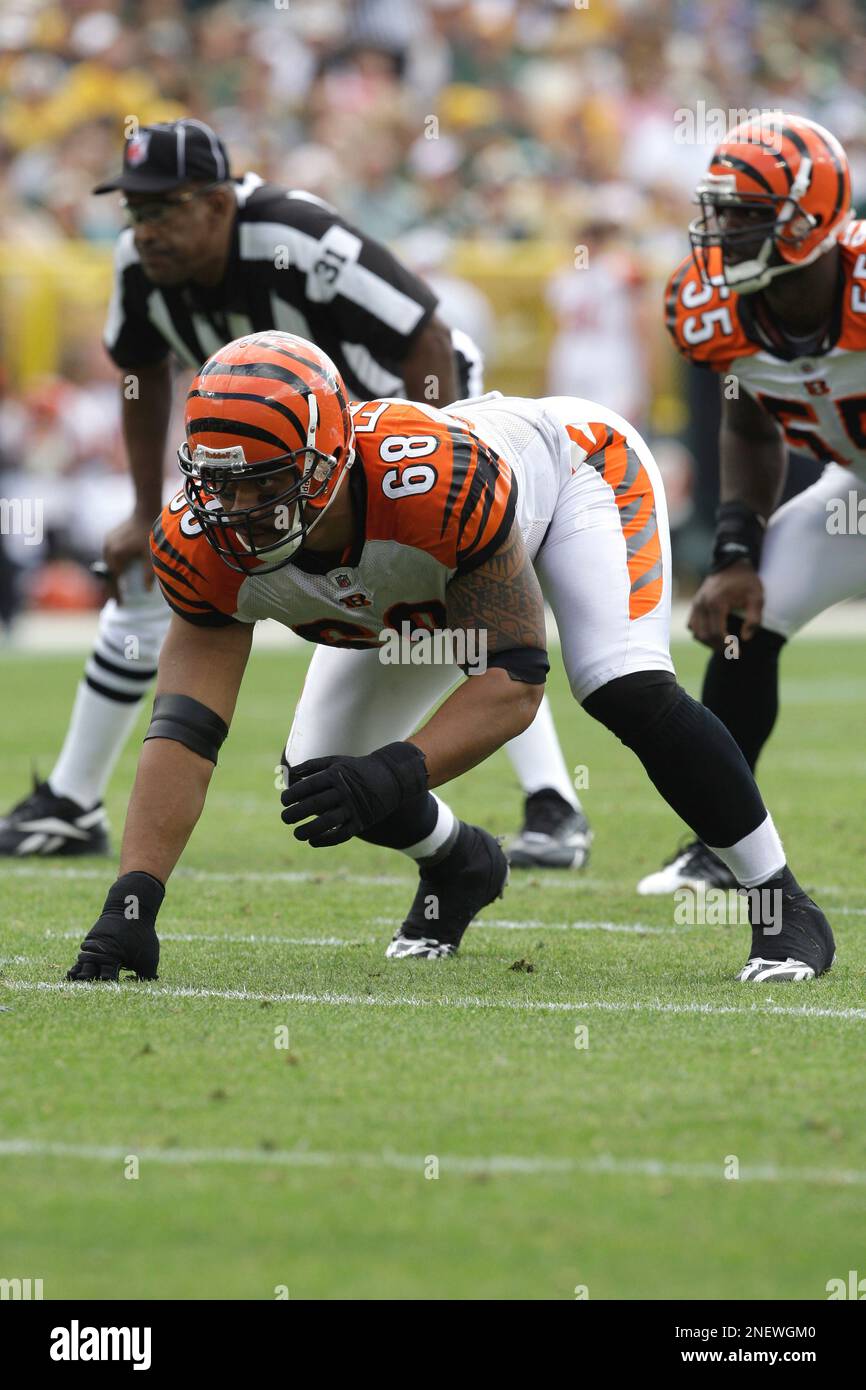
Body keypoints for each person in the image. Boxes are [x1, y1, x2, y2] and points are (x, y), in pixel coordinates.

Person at [67, 330, 834, 984]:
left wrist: (396, 771)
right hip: (412, 585)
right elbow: (185, 732)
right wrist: (131, 903)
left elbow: (513, 683)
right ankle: (460, 861)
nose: (237, 513)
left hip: (573, 479)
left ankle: (780, 901)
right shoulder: (202, 544)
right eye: (222, 485)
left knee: (618, 682)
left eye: (264, 483)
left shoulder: (433, 486)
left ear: (327, 460)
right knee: (322, 778)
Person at [0, 119, 588, 870]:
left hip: (398, 437)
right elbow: (141, 372)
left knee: (456, 610)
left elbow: (425, 334)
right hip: (267, 471)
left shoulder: (295, 237)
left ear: (216, 205)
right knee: (154, 576)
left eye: (164, 209)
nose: (145, 230)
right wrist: (143, 508)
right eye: (136, 212)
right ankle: (74, 798)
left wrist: (440, 463)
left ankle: (553, 802)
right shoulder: (137, 265)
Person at [641, 112, 864, 894]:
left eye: (745, 216)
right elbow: (748, 425)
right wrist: (735, 551)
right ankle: (723, 846)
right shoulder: (713, 308)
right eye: (721, 211)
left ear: (807, 221)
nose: (722, 232)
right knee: (741, 625)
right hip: (857, 496)